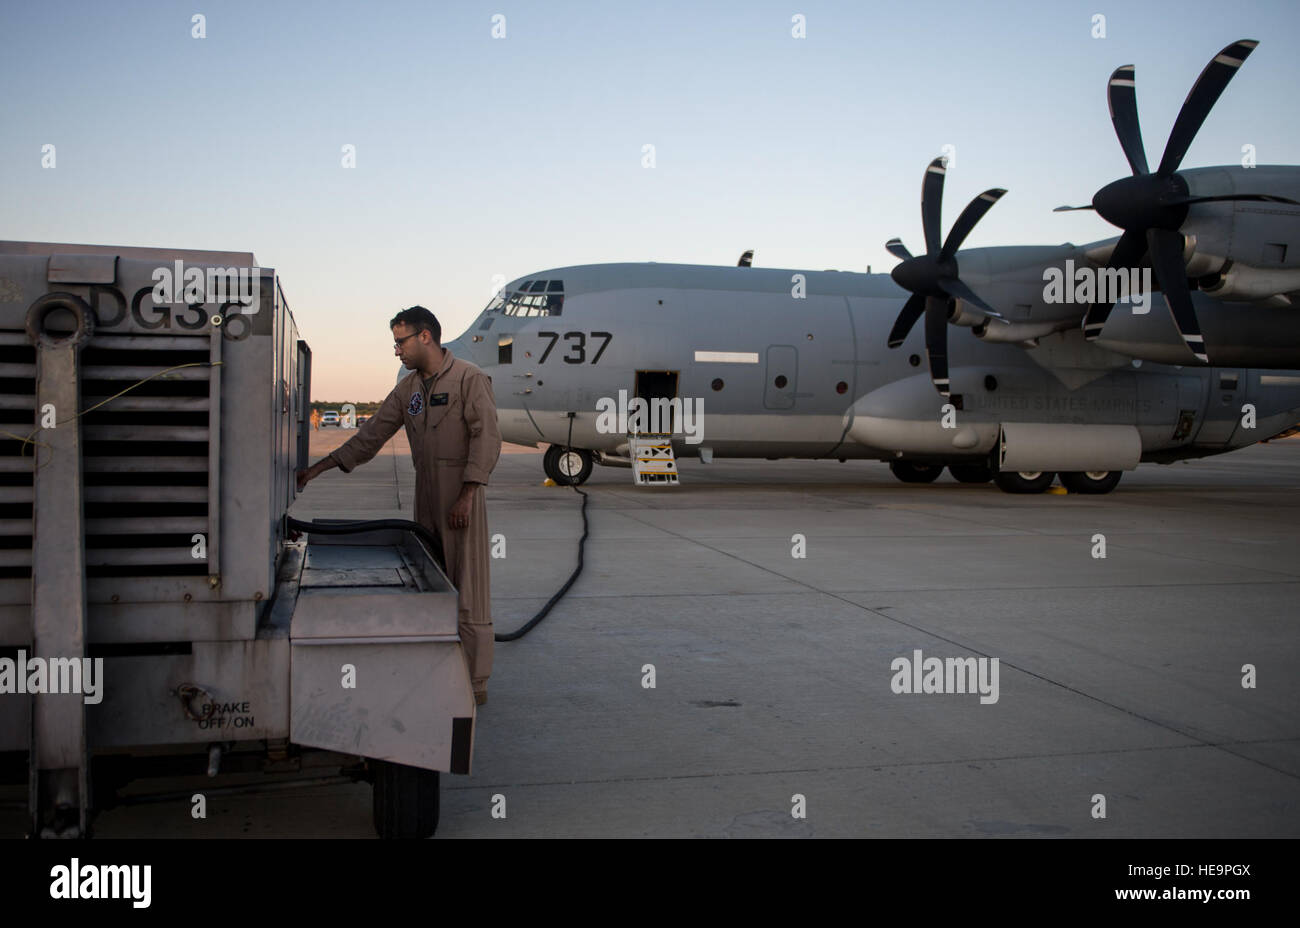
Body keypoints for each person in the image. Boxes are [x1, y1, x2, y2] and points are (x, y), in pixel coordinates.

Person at [296, 306, 502, 705]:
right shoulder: (409, 390)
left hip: (462, 494)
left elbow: (486, 437)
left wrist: (467, 493)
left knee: (469, 586)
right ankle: (441, 663)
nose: (397, 351)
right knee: (432, 581)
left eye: (400, 341)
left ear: (425, 336)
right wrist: (316, 469)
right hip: (426, 492)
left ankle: (476, 684)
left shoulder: (468, 379)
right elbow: (370, 436)